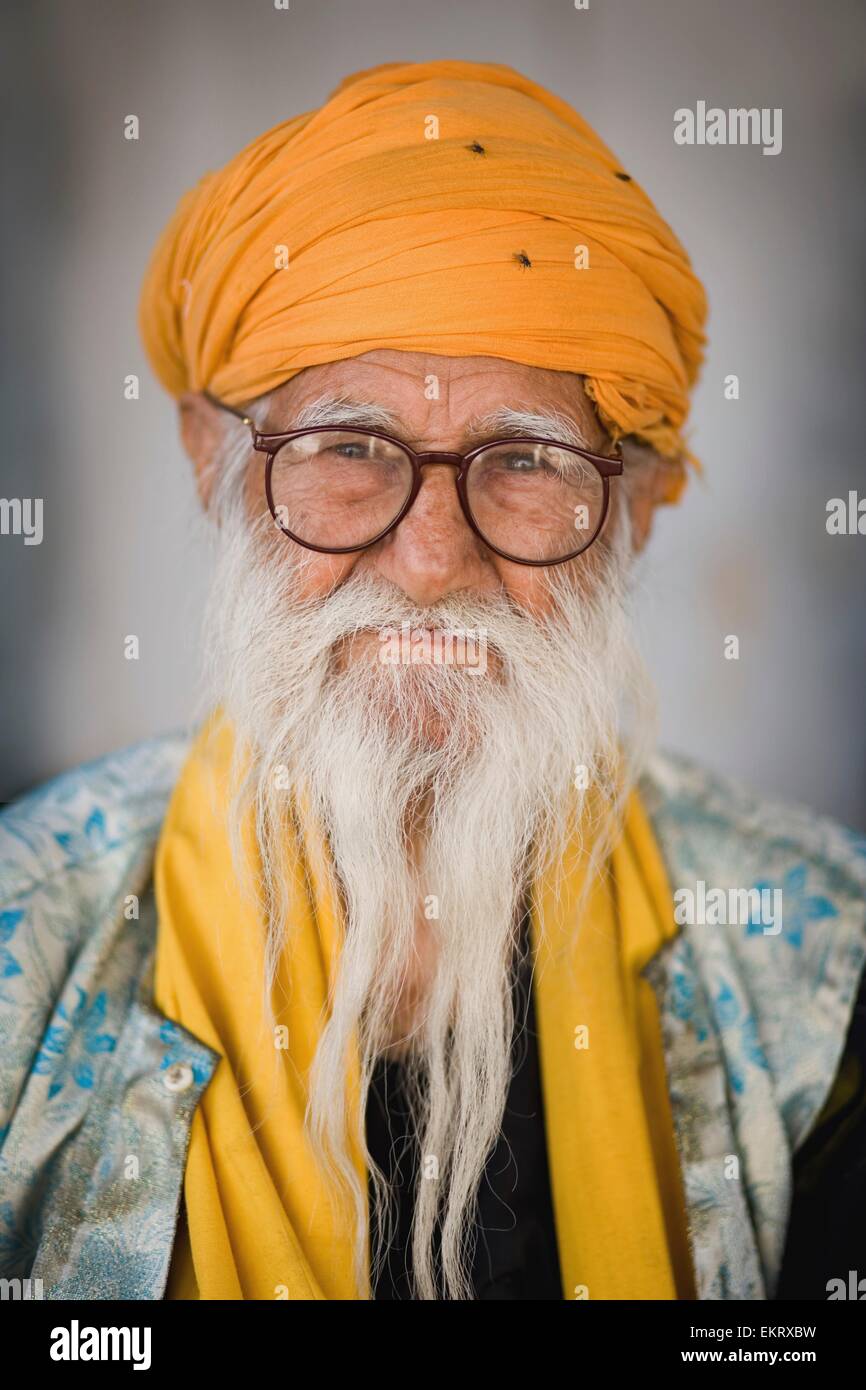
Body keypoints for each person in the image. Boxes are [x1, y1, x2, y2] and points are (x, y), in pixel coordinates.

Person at [1, 60, 864, 1302]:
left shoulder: (818, 971)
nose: (429, 558)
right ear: (211, 459)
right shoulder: (26, 946)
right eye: (349, 448)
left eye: (522, 458)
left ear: (636, 504)